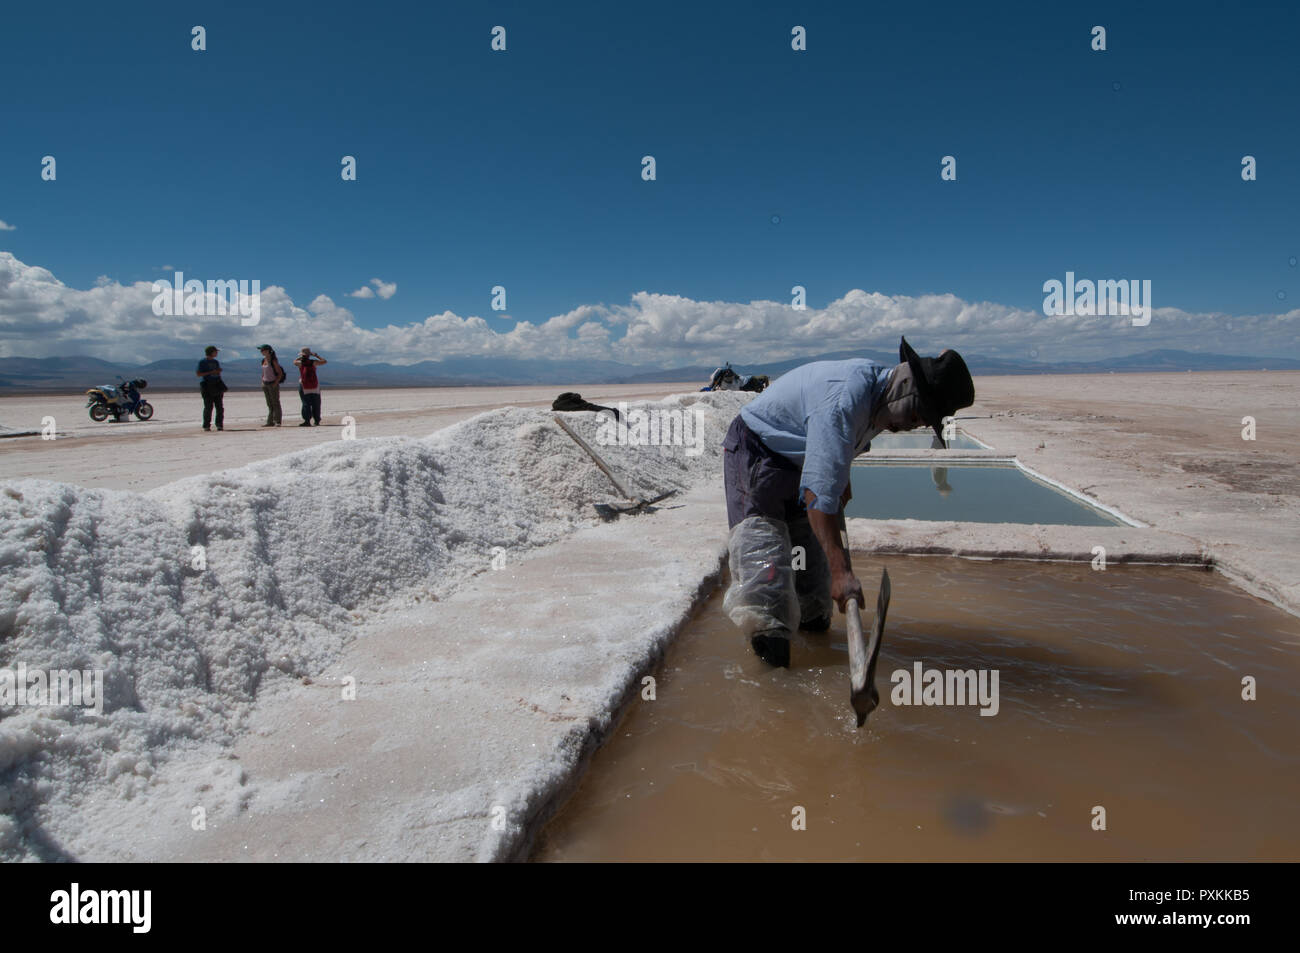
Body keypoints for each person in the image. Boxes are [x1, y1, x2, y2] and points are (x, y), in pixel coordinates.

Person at [721, 336, 974, 667]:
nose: (914, 424)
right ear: (906, 387)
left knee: (813, 590)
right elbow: (818, 492)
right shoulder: (845, 398)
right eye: (917, 414)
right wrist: (843, 573)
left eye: (924, 420)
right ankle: (774, 686)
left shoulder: (880, 398)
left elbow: (832, 462)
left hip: (800, 461)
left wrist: (840, 480)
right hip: (758, 452)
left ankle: (813, 642)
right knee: (766, 584)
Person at [195, 344, 226, 432]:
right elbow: (198, 374)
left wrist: (218, 372)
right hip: (206, 385)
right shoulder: (202, 362)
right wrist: (211, 372)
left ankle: (219, 424)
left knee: (219, 406)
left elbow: (217, 373)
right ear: (211, 352)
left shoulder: (216, 362)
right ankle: (206, 425)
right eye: (215, 351)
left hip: (216, 384)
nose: (216, 353)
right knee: (208, 406)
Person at [294, 347, 327, 426]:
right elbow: (324, 361)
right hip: (314, 385)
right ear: (309, 355)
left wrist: (300, 357)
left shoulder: (300, 363)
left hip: (304, 385)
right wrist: (316, 355)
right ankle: (317, 420)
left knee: (306, 403)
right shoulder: (314, 362)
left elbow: (294, 361)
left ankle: (307, 420)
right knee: (316, 403)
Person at [259, 345, 286, 427]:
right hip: (265, 384)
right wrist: (262, 380)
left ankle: (277, 421)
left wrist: (275, 383)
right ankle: (270, 421)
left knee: (275, 402)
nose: (261, 352)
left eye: (262, 350)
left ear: (267, 351)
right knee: (269, 403)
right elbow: (264, 372)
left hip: (272, 383)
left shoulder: (273, 360)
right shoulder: (263, 360)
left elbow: (280, 373)